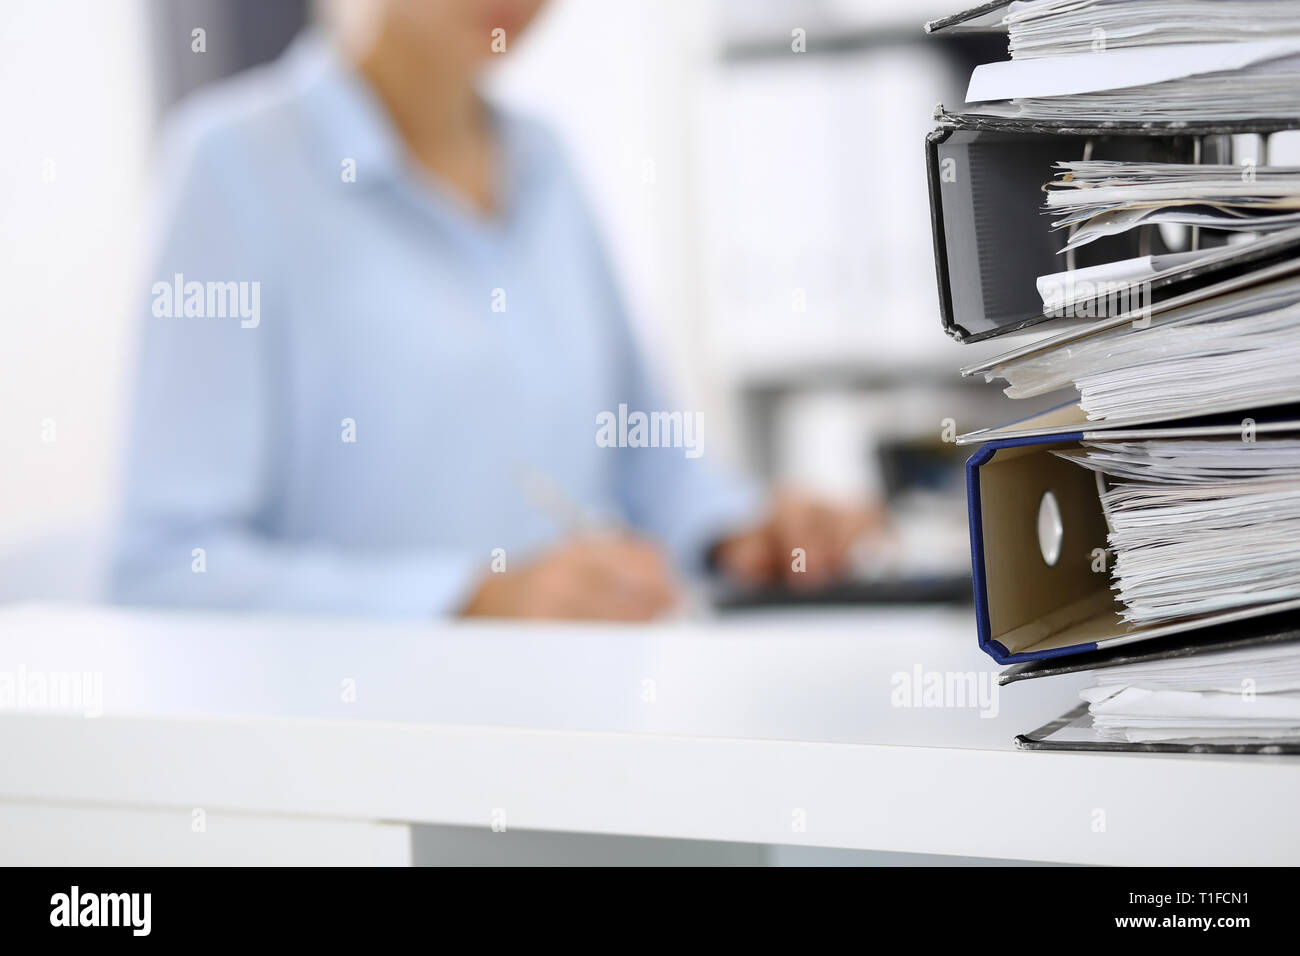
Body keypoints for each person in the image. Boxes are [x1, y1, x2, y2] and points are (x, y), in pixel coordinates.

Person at [111, 0, 871, 621]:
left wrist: (740, 529)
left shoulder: (548, 161)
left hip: (582, 718)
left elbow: (645, 459)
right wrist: (472, 595)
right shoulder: (231, 167)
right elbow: (167, 566)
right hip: (356, 759)